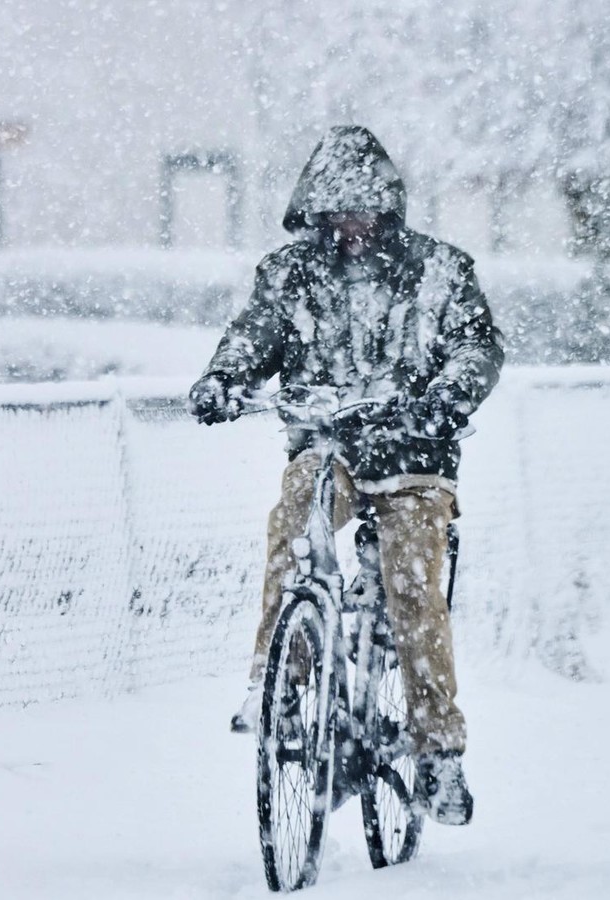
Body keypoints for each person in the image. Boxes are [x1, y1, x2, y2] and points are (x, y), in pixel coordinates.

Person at [187, 125, 502, 826]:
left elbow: (476, 347)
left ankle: (438, 752)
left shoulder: (439, 271)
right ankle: (281, 685)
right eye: (333, 214)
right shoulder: (290, 274)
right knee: (293, 522)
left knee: (411, 583)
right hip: (329, 445)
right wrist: (224, 377)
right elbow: (257, 331)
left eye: (360, 212)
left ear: (386, 210)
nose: (348, 227)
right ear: (314, 213)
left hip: (415, 455)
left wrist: (445, 398)